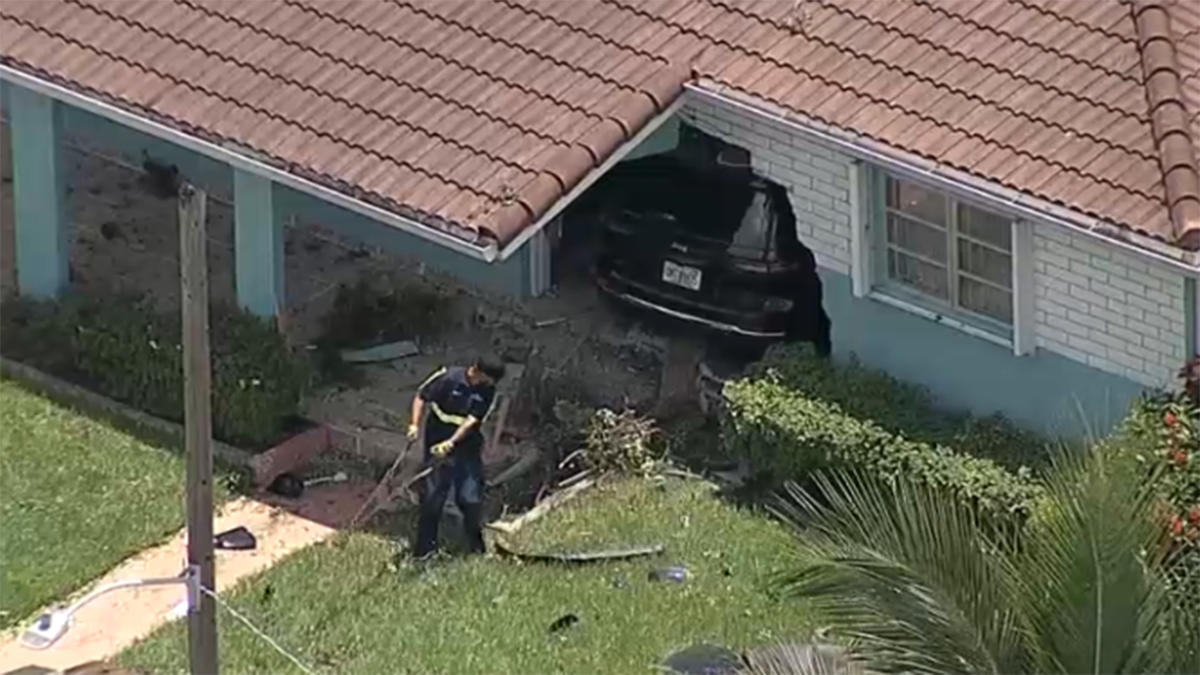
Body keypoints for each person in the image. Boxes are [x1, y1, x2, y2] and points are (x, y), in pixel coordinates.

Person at [407, 357, 506, 558]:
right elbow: (421, 396)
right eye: (490, 378)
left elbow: (472, 420)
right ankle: (425, 552)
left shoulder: (487, 390)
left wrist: (451, 442)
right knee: (433, 497)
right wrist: (414, 425)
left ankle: (476, 548)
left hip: (466, 447)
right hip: (436, 442)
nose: (492, 384)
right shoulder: (447, 377)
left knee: (469, 498)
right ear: (477, 371)